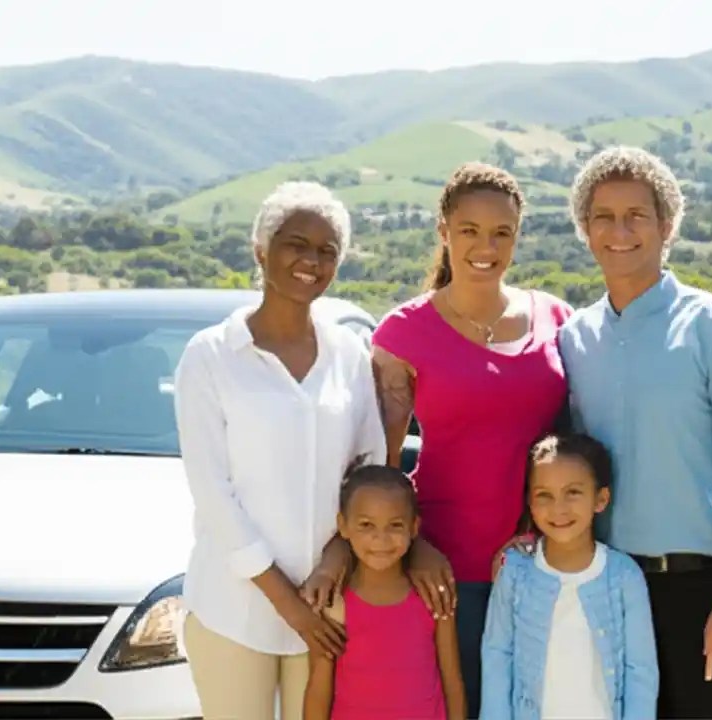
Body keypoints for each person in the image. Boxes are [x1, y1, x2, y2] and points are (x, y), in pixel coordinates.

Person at [308, 161, 574, 718]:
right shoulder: (404, 332)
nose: (486, 246)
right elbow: (377, 469)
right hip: (446, 572)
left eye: (502, 232)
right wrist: (416, 546)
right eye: (470, 230)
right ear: (444, 232)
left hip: (544, 564)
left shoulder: (555, 317)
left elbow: (576, 444)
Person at [559, 146, 712, 719]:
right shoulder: (573, 339)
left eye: (636, 215)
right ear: (585, 230)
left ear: (667, 226)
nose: (620, 231)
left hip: (702, 593)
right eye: (603, 217)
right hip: (606, 591)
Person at [173, 181, 388, 720]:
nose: (311, 261)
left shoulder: (349, 355)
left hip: (330, 606)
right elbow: (213, 494)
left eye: (327, 251)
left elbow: (369, 478)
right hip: (233, 608)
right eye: (296, 243)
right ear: (260, 250)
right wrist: (290, 606)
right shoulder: (210, 357)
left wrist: (333, 563)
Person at [480, 432, 658, 720]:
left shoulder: (625, 577)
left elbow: (641, 671)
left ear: (600, 499)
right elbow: (497, 655)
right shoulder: (514, 571)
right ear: (530, 502)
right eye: (544, 495)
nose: (558, 508)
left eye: (573, 493)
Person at [304, 461, 468, 720]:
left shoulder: (432, 597)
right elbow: (319, 689)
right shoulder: (335, 603)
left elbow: (452, 681)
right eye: (367, 525)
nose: (381, 539)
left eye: (395, 525)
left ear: (414, 527)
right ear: (343, 526)